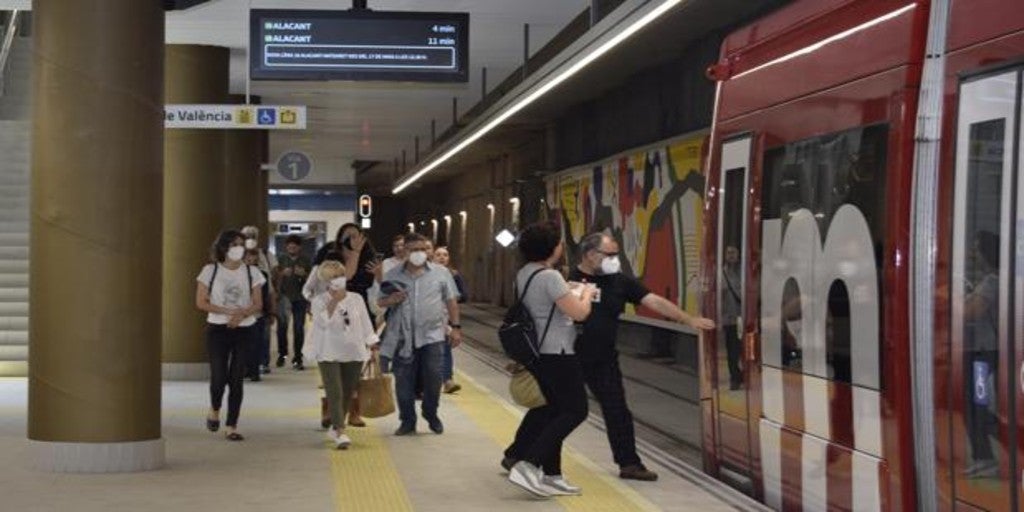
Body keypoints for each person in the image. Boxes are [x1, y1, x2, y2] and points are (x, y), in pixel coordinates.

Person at [554, 231, 715, 481]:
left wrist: (688, 319)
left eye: (616, 254)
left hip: (603, 359)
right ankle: (522, 454)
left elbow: (654, 301)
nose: (615, 259)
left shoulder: (619, 282)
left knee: (617, 410)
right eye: (610, 254)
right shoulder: (566, 280)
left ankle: (629, 463)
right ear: (589, 255)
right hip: (568, 357)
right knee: (562, 411)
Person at [503, 220, 597, 498]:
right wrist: (587, 294)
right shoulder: (550, 277)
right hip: (558, 353)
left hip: (538, 354)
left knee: (555, 410)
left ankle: (552, 475)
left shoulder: (525, 274)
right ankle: (529, 463)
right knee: (575, 410)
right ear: (552, 248)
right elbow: (579, 313)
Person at [377, 233, 462, 436]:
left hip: (432, 336)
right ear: (405, 251)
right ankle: (407, 420)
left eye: (423, 249)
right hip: (402, 337)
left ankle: (430, 412)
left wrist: (456, 327)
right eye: (414, 249)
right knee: (403, 379)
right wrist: (392, 299)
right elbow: (380, 301)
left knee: (434, 377)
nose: (419, 253)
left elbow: (451, 301)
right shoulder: (393, 274)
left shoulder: (441, 273)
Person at [195, 230, 266, 442]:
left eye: (241, 244)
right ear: (224, 247)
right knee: (218, 377)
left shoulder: (252, 272)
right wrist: (228, 313)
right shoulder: (210, 270)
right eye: (234, 244)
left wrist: (242, 314)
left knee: (236, 379)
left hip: (245, 329)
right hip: (217, 329)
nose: (239, 248)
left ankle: (232, 425)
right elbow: (201, 302)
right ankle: (215, 409)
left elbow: (258, 303)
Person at [304, 260, 379, 450]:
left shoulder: (356, 298)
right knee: (334, 391)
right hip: (328, 350)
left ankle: (337, 425)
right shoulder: (319, 300)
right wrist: (335, 300)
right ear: (325, 281)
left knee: (347, 391)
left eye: (340, 276)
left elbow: (365, 322)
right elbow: (322, 323)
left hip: (353, 350)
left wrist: (372, 344)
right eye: (332, 278)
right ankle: (339, 430)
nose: (337, 280)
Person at [962, 230, 1000, 479]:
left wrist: (962, 299)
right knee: (976, 404)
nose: (972, 254)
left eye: (976, 249)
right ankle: (981, 456)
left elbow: (971, 313)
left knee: (976, 405)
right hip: (981, 352)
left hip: (983, 354)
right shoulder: (990, 280)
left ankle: (986, 459)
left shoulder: (992, 281)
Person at [275, 234, 312, 370]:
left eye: (294, 246)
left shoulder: (305, 260)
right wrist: (282, 274)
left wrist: (304, 274)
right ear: (286, 247)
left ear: (299, 247)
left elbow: (312, 279)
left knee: (298, 328)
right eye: (289, 245)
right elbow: (274, 277)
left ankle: (298, 358)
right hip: (284, 297)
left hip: (300, 298)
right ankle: (282, 355)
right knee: (282, 328)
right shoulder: (280, 259)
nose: (291, 247)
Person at [434, 246, 467, 394]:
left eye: (445, 255)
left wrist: (450, 298)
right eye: (439, 255)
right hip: (427, 318)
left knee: (446, 348)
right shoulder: (427, 274)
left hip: (445, 317)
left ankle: (447, 380)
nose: (442, 257)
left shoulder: (454, 275)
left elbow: (464, 295)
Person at [243, 248, 276, 381]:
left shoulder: (263, 274)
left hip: (258, 313)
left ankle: (254, 371)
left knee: (257, 342)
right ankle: (245, 369)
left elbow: (268, 293)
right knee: (244, 343)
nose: (252, 259)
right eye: (249, 256)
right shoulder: (236, 274)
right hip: (241, 313)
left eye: (254, 257)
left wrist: (271, 312)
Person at [721, 245, 743, 390]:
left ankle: (741, 374)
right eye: (728, 253)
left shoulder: (744, 271)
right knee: (732, 350)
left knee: (743, 349)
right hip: (729, 319)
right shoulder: (721, 273)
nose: (731, 255)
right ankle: (735, 378)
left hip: (745, 317)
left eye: (733, 252)